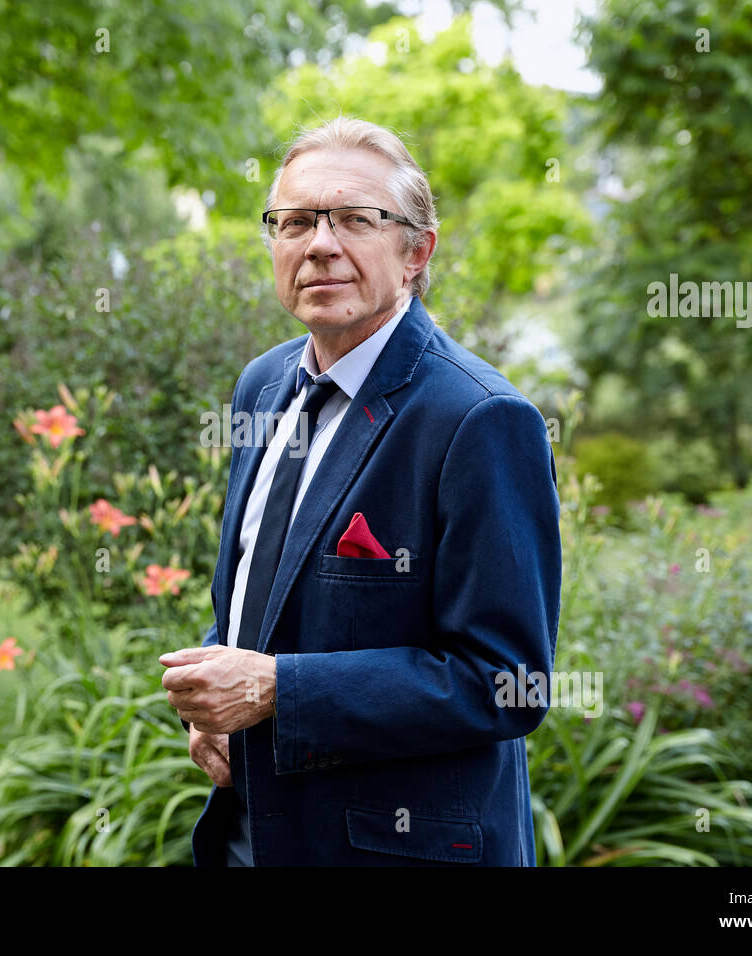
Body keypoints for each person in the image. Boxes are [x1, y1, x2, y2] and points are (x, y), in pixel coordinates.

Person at [159, 116, 562, 866]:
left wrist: (279, 690)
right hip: (254, 836)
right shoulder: (262, 388)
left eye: (354, 219)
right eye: (295, 221)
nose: (320, 243)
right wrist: (220, 691)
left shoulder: (478, 419)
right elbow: (257, 596)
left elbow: (510, 682)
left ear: (416, 252)